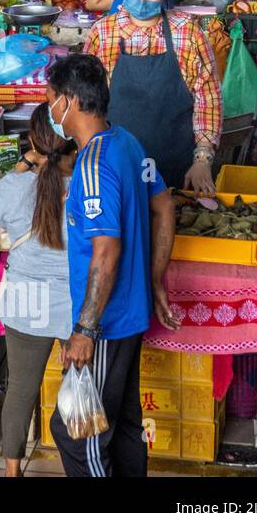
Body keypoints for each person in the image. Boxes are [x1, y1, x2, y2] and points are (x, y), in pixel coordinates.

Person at [44, 53, 178, 478]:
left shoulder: (93, 166)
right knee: (122, 424)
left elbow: (106, 251)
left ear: (68, 102)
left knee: (79, 433)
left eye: (51, 100)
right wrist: (154, 279)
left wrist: (84, 329)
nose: (50, 112)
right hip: (130, 314)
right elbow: (164, 206)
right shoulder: (127, 141)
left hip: (106, 323)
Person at [82, 0, 222, 192]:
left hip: (177, 166)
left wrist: (202, 159)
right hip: (113, 168)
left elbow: (208, 98)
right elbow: (87, 101)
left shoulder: (187, 33)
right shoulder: (103, 33)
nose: (142, 1)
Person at [0, 105, 75, 477]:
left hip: (26, 302)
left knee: (20, 391)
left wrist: (26, 161)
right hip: (75, 305)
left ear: (34, 144)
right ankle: (80, 463)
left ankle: (12, 470)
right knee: (81, 388)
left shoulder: (13, 187)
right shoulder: (87, 188)